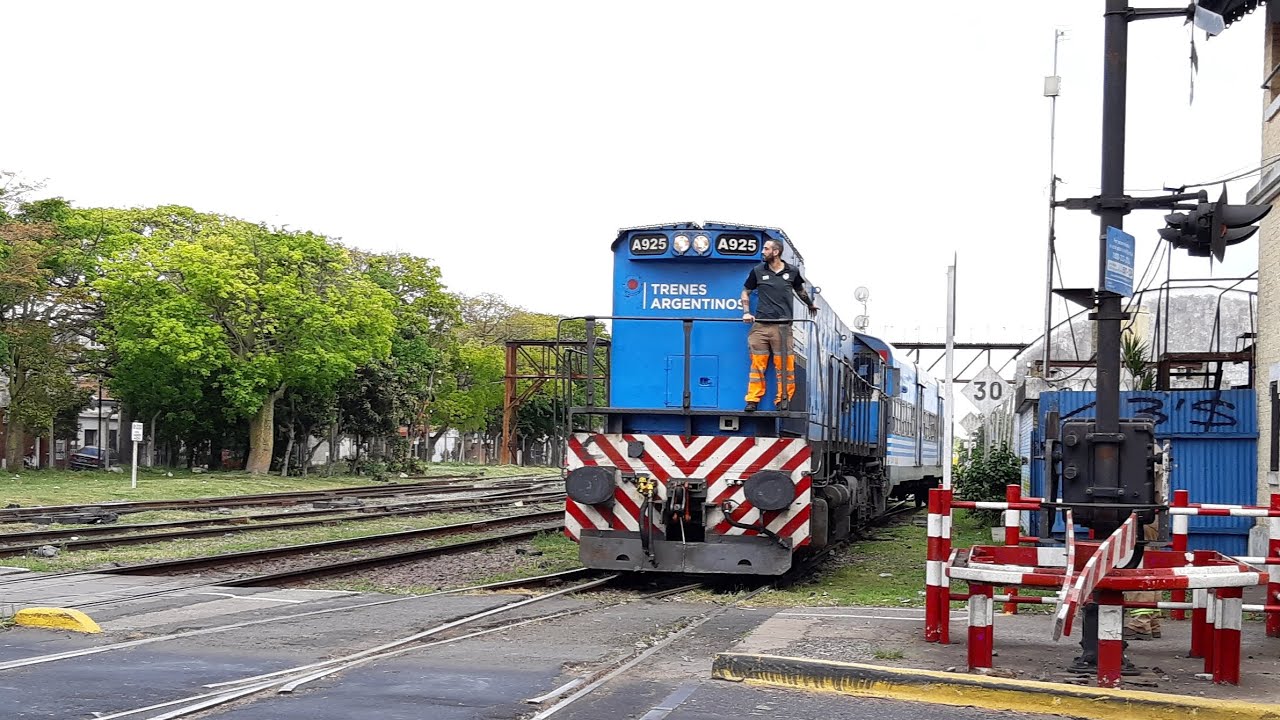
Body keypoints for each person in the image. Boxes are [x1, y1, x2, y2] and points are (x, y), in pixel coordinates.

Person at [740, 238, 817, 412]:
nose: (763, 252)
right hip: (760, 326)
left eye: (766, 249)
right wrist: (746, 311)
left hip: (783, 327)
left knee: (785, 366)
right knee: (757, 365)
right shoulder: (758, 271)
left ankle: (783, 399)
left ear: (776, 252)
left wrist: (810, 304)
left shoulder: (792, 271)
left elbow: (800, 291)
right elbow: (746, 291)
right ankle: (752, 400)